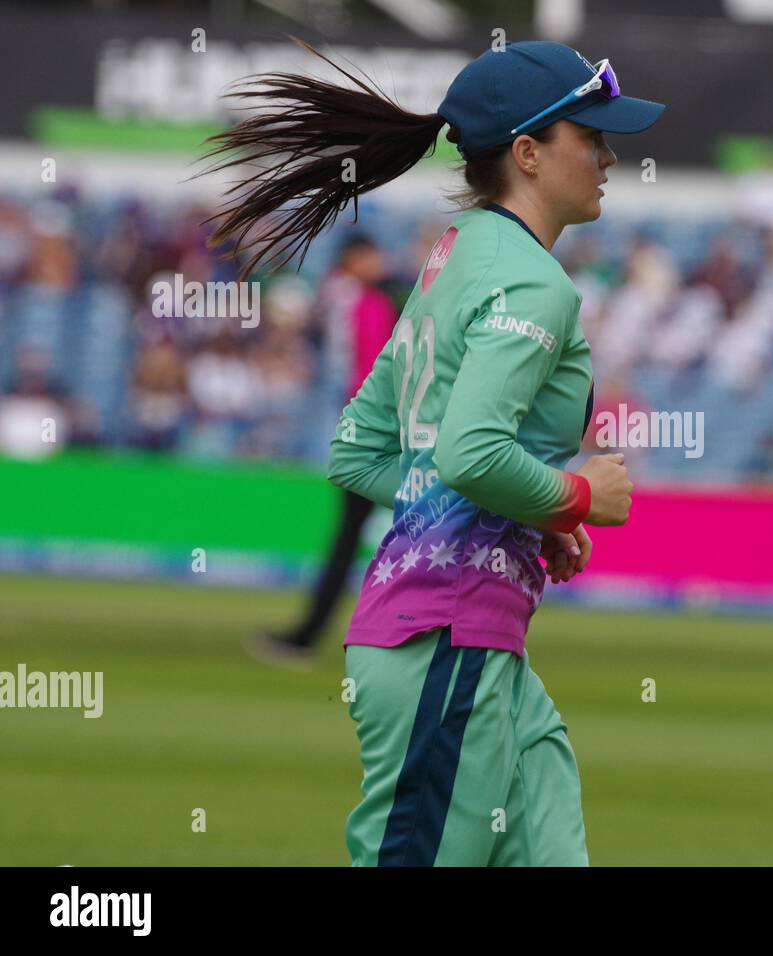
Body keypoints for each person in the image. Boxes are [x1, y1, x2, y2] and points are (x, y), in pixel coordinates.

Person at [200, 39, 660, 864]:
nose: (608, 155)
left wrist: (519, 517)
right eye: (590, 136)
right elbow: (471, 452)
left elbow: (358, 451)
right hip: (445, 648)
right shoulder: (531, 282)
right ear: (528, 152)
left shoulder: (453, 259)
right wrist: (576, 495)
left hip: (460, 649)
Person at [250, 237, 398, 666]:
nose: (382, 261)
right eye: (373, 255)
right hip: (379, 432)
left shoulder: (338, 298)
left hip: (358, 430)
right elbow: (374, 370)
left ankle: (312, 633)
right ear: (355, 260)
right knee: (380, 532)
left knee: (351, 535)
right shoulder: (368, 302)